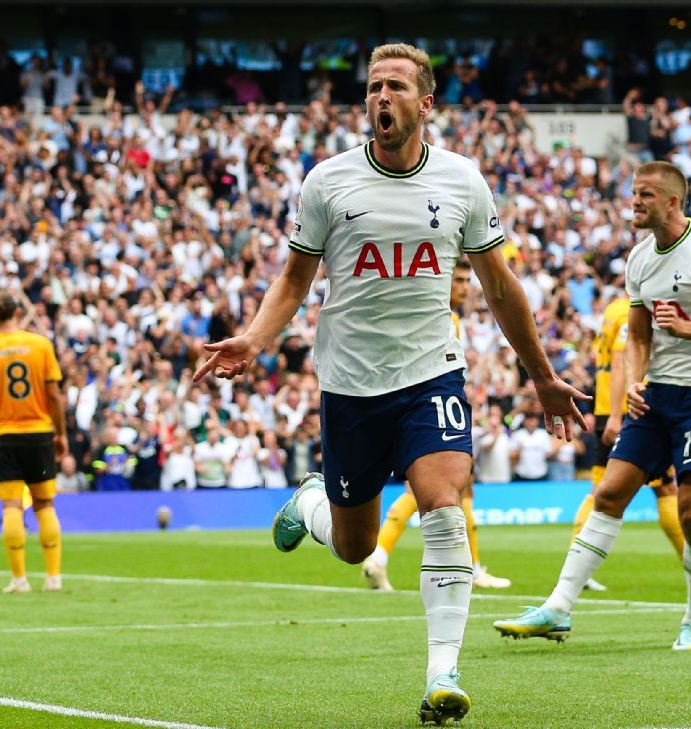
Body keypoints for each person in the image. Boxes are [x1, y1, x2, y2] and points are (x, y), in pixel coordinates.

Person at [195, 43, 587, 725]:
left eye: (397, 87)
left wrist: (543, 375)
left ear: (425, 103)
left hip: (431, 370)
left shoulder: (462, 181)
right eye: (374, 86)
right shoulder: (328, 182)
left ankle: (443, 672)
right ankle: (312, 504)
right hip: (349, 383)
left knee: (442, 501)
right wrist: (255, 340)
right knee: (354, 546)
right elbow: (294, 279)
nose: (382, 97)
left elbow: (500, 285)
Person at [494, 161, 691, 652]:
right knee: (610, 493)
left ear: (673, 202)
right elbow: (637, 335)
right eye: (633, 193)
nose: (634, 202)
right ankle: (559, 607)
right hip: (656, 396)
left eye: (646, 195)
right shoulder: (638, 259)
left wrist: (688, 329)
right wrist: (633, 383)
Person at [567, 287, 691, 592]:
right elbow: (621, 364)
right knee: (606, 492)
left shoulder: (609, 312)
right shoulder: (624, 313)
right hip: (626, 408)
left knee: (661, 488)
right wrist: (618, 416)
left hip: (617, 406)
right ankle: (578, 563)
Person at [361, 260, 512, 592]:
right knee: (444, 488)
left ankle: (387, 558)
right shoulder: (445, 317)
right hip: (431, 410)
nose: (463, 286)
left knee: (443, 489)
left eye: (465, 280)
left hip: (411, 404)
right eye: (457, 279)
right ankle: (462, 567)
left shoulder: (428, 313)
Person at [0, 292, 67, 594]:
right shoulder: (40, 345)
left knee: (12, 506)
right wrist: (60, 433)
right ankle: (53, 577)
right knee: (44, 504)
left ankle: (19, 579)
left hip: (4, 436)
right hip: (38, 434)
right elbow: (54, 395)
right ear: (16, 312)